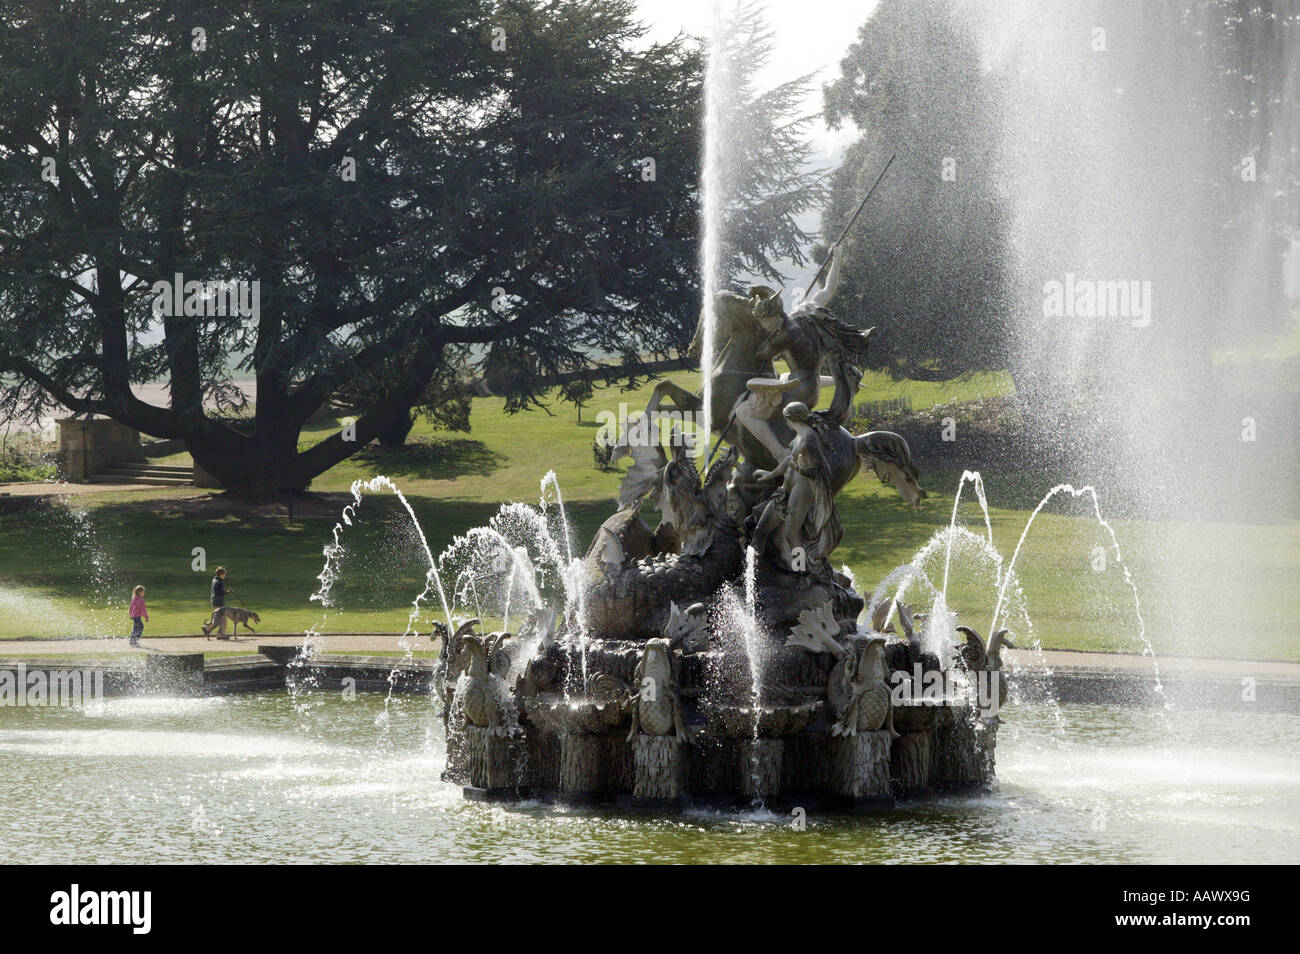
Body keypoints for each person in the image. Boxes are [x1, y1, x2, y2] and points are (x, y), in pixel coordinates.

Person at [202, 567, 233, 639]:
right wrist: (228, 592)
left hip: (214, 601)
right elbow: (219, 592)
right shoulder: (219, 582)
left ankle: (208, 629)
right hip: (219, 602)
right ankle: (219, 634)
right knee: (223, 619)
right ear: (221, 574)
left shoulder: (214, 580)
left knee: (217, 618)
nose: (225, 575)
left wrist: (226, 592)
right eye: (224, 574)